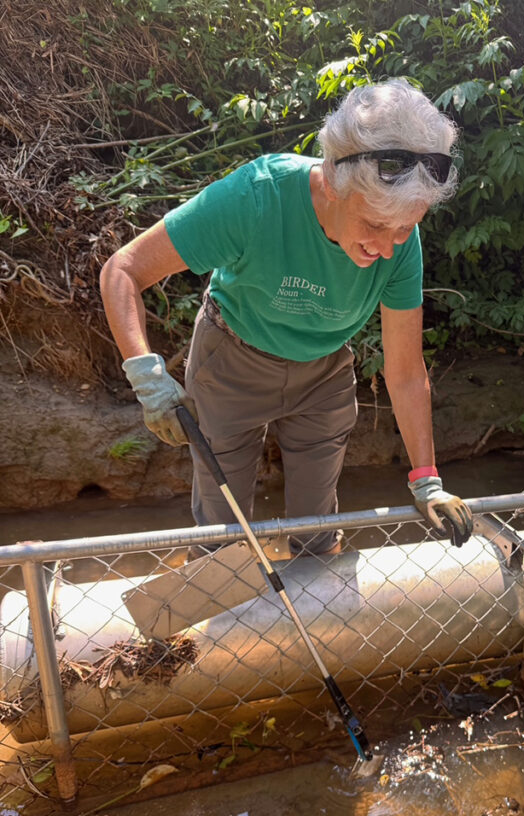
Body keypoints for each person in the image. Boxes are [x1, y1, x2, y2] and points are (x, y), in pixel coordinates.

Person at [100, 79, 473, 555]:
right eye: (376, 225)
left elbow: (404, 372)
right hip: (231, 361)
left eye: (405, 228)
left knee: (317, 532)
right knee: (224, 531)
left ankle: (311, 615)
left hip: (324, 371)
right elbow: (123, 270)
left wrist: (427, 482)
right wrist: (148, 379)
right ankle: (214, 619)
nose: (387, 247)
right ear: (335, 182)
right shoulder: (255, 198)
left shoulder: (400, 246)